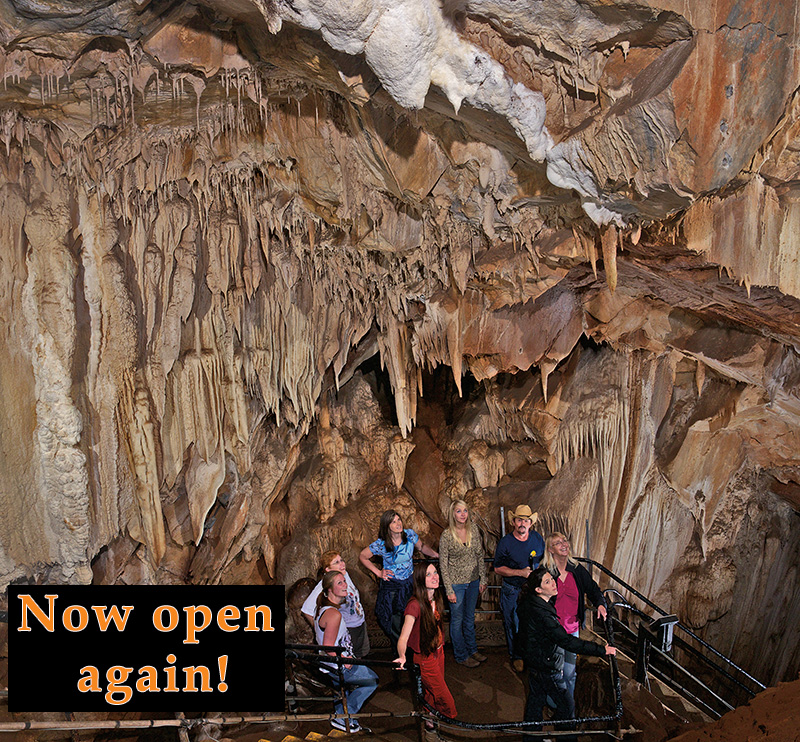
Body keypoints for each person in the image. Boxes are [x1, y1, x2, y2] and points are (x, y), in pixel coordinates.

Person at [518, 566, 616, 742]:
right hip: (547, 666)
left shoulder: (531, 603)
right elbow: (567, 641)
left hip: (535, 663)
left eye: (552, 579)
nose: (553, 583)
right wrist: (601, 650)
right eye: (547, 582)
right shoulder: (543, 615)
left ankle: (531, 739)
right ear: (538, 590)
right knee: (566, 706)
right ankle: (567, 740)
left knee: (535, 703)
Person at [542, 532, 607, 711]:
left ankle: (568, 706)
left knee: (570, 672)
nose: (563, 544)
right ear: (550, 549)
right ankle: (552, 702)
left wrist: (600, 604)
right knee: (555, 671)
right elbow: (537, 599)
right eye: (557, 543)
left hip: (572, 629)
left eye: (564, 541)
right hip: (553, 631)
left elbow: (592, 589)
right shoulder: (546, 573)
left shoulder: (576, 569)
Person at [394, 562, 457, 738]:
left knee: (431, 694)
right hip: (425, 657)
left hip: (438, 651)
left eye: (435, 572)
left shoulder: (435, 599)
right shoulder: (414, 605)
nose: (435, 576)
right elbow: (403, 637)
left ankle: (430, 728)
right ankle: (441, 724)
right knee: (445, 699)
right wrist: (401, 656)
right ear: (420, 579)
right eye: (429, 574)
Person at [314, 570, 379, 733]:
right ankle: (343, 716)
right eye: (339, 583)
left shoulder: (322, 608)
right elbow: (328, 647)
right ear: (329, 589)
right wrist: (345, 659)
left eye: (344, 581)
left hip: (330, 664)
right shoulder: (333, 614)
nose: (345, 585)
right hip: (338, 664)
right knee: (371, 681)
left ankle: (342, 716)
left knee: (340, 689)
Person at [360, 510, 439, 643]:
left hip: (409, 583)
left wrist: (435, 555)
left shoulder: (409, 535)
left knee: (411, 614)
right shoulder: (382, 543)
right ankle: (400, 650)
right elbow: (363, 556)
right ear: (387, 526)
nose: (398, 523)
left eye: (399, 520)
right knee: (395, 619)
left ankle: (411, 647)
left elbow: (422, 547)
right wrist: (378, 572)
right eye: (394, 521)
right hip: (392, 587)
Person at [493, 504, 545, 672]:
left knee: (531, 623)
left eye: (526, 521)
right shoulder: (506, 543)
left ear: (531, 523)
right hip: (512, 590)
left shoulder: (537, 539)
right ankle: (516, 656)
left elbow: (543, 560)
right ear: (513, 522)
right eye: (519, 520)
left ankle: (529, 654)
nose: (523, 524)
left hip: (531, 591)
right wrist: (520, 573)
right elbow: (497, 568)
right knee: (513, 624)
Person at [438, 499, 487, 667]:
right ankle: (461, 655)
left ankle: (472, 649)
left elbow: (479, 555)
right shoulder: (446, 535)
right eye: (459, 511)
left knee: (468, 618)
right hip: (456, 584)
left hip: (473, 581)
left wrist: (483, 578)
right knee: (457, 620)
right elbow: (443, 564)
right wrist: (449, 589)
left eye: (465, 511)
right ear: (453, 514)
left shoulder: (473, 530)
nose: (462, 514)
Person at [301, 550, 370, 658]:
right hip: (348, 630)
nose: (342, 564)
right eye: (336, 562)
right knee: (351, 661)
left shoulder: (344, 575)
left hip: (359, 624)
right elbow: (307, 610)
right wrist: (321, 631)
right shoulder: (324, 586)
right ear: (327, 569)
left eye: (341, 560)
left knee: (360, 656)